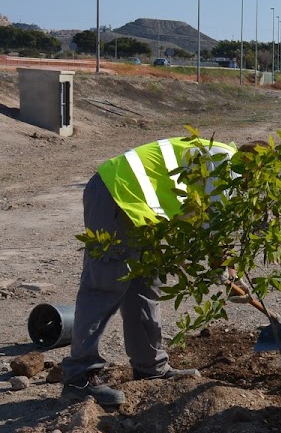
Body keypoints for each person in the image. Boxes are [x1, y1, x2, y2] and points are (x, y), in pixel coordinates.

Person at [61, 137, 244, 405]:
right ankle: (79, 379)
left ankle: (150, 368)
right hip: (116, 194)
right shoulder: (227, 165)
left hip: (144, 211)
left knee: (145, 284)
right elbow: (213, 226)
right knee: (104, 286)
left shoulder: (226, 162)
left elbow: (202, 219)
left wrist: (224, 267)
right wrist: (223, 270)